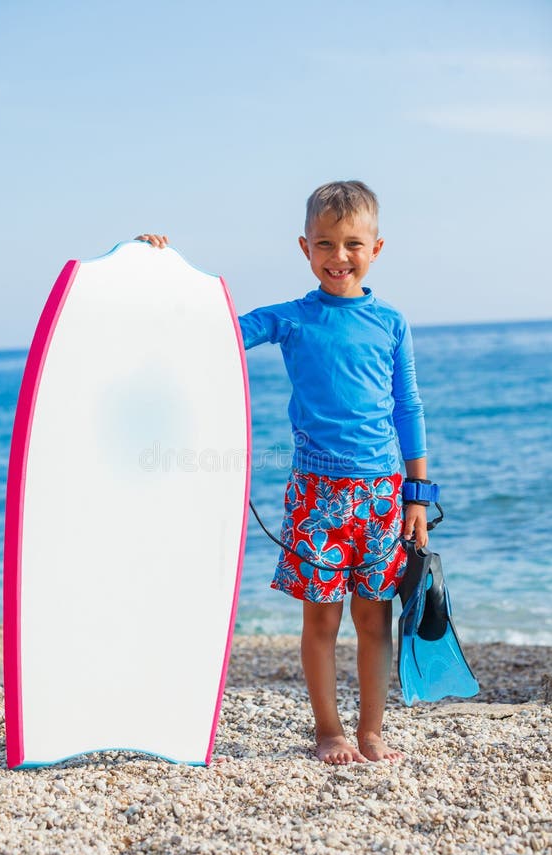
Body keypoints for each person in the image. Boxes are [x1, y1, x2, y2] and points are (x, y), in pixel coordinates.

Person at [136, 180, 429, 765]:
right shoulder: (293, 319)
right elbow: (216, 331)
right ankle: (329, 732)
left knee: (375, 621)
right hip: (316, 494)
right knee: (321, 622)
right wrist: (157, 272)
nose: (339, 256)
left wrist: (417, 496)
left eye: (353, 244)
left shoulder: (391, 323)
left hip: (382, 493)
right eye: (325, 244)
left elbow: (408, 408)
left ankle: (371, 731)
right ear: (304, 248)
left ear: (376, 249)